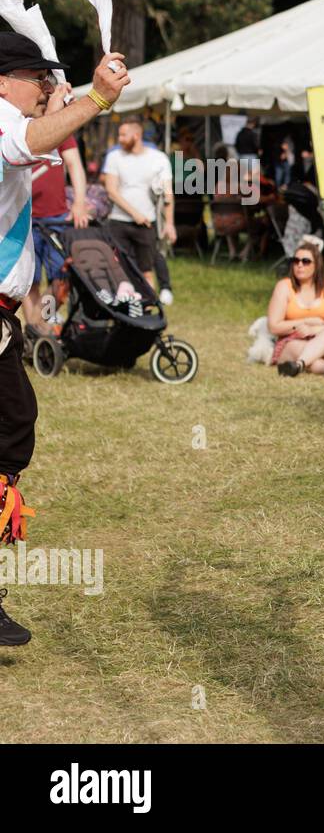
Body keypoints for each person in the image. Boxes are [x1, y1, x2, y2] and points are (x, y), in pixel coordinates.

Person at [0, 33, 131, 648]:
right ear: (4, 81)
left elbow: (40, 134)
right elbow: (29, 142)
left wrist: (64, 97)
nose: (44, 88)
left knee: (11, 431)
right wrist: (97, 100)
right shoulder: (2, 118)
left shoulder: (14, 112)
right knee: (9, 432)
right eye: (37, 77)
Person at [21, 119, 89, 338]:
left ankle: (38, 325)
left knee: (60, 282)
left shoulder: (60, 129)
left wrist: (79, 202)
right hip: (24, 220)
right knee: (28, 283)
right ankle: (37, 337)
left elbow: (75, 165)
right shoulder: (20, 130)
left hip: (57, 219)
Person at [104, 116, 174, 297]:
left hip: (146, 223)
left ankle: (149, 304)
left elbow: (168, 193)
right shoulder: (114, 157)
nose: (119, 139)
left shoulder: (158, 159)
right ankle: (124, 304)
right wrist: (134, 213)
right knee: (118, 267)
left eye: (123, 135)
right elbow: (111, 191)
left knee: (146, 269)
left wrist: (169, 223)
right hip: (118, 221)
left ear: (136, 135)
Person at [267, 237, 324, 379]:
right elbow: (274, 326)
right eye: (296, 260)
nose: (299, 265)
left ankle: (298, 365)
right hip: (291, 341)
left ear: (317, 265)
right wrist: (306, 322)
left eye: (305, 261)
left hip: (323, 336)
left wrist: (314, 329)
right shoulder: (284, 287)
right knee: (303, 350)